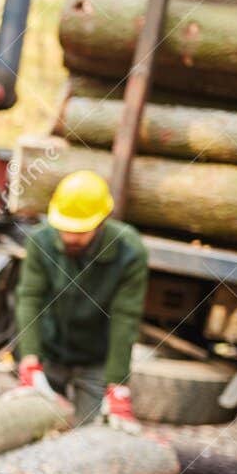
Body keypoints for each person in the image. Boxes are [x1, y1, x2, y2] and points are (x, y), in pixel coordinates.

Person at [13, 170, 146, 431]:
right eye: (65, 230)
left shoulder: (129, 250)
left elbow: (125, 316)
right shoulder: (40, 241)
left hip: (96, 357)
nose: (70, 237)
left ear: (101, 222)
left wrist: (117, 383)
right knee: (34, 428)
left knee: (89, 435)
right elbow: (29, 299)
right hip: (50, 351)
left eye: (80, 231)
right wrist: (30, 360)